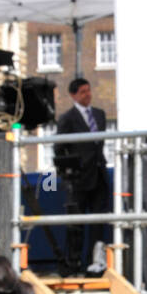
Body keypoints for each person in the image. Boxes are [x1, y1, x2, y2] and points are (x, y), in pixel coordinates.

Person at [54, 77, 108, 275]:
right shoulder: (67, 119)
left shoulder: (100, 115)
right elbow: (59, 148)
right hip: (78, 179)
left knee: (97, 220)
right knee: (76, 222)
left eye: (88, 90)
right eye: (83, 92)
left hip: (98, 175)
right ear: (73, 95)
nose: (88, 95)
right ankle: (74, 261)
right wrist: (69, 171)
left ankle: (94, 261)